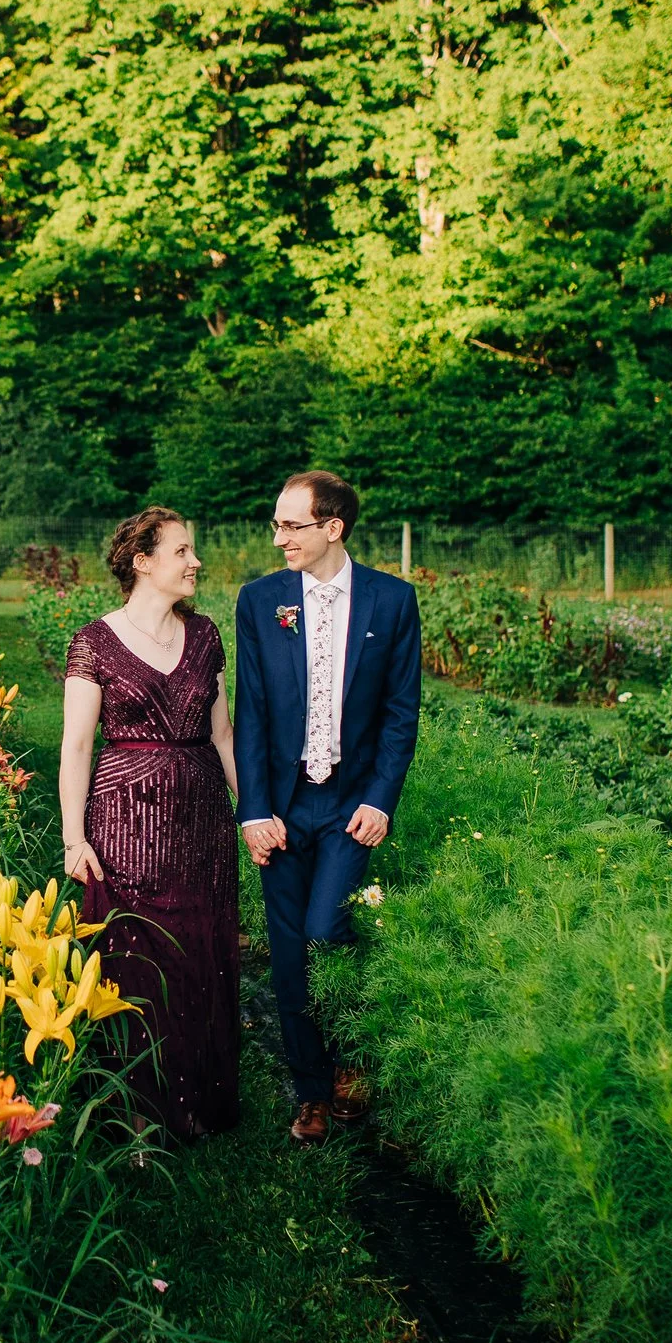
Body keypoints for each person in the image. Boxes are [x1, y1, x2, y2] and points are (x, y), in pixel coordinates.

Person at [234, 470, 421, 1142]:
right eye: (278, 524)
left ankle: (350, 1059)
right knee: (288, 949)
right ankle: (311, 1087)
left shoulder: (393, 601)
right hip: (282, 807)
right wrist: (253, 809)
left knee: (324, 932)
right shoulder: (261, 601)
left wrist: (381, 798)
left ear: (333, 527)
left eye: (292, 525)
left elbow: (402, 713)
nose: (278, 536)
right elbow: (250, 713)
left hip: (349, 808)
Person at [59, 507, 242, 1139]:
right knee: (134, 955)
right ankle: (135, 1112)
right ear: (143, 561)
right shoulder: (94, 641)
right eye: (183, 551)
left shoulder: (208, 635)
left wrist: (251, 814)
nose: (196, 562)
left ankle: (202, 1102)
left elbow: (222, 735)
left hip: (202, 821)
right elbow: (78, 746)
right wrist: (73, 835)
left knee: (201, 950)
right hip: (123, 821)